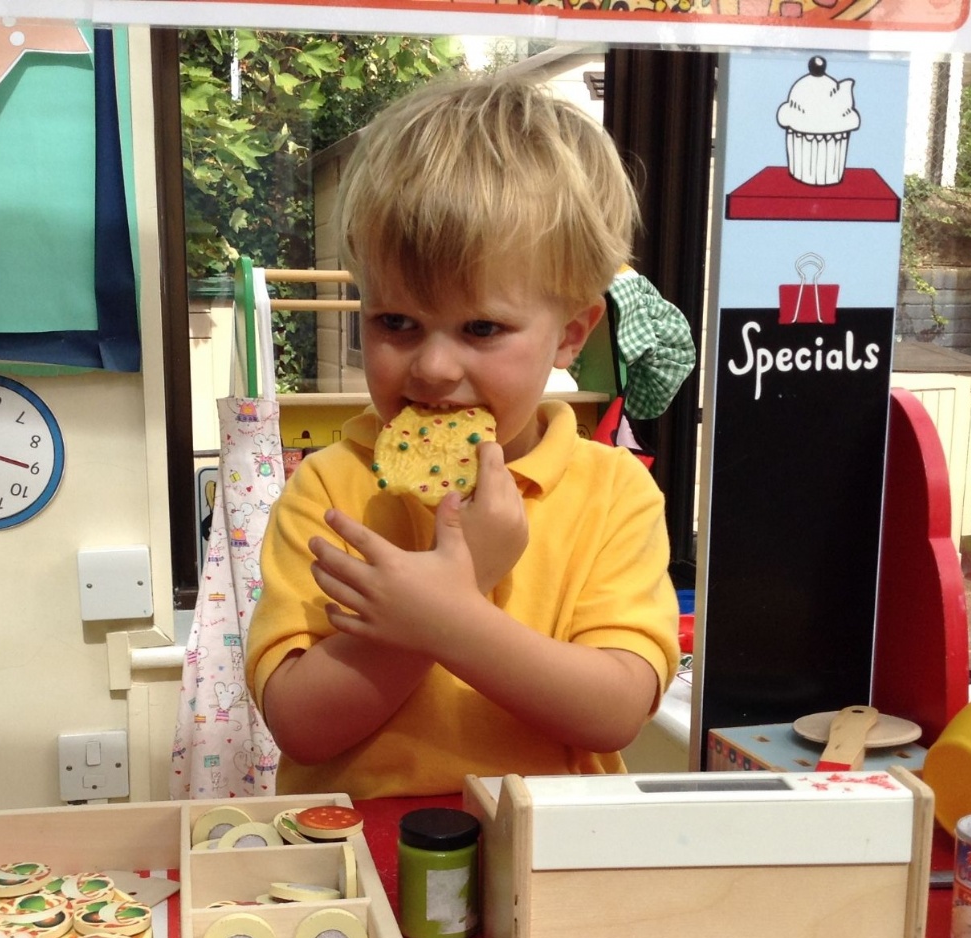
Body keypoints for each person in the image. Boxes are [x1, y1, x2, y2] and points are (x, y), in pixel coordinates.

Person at [244, 73, 681, 800]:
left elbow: (614, 712)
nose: (434, 367)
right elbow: (300, 723)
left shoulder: (613, 494)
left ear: (571, 334)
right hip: (361, 861)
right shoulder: (330, 488)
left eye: (481, 328)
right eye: (396, 323)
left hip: (548, 865)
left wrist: (452, 615)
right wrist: (450, 593)